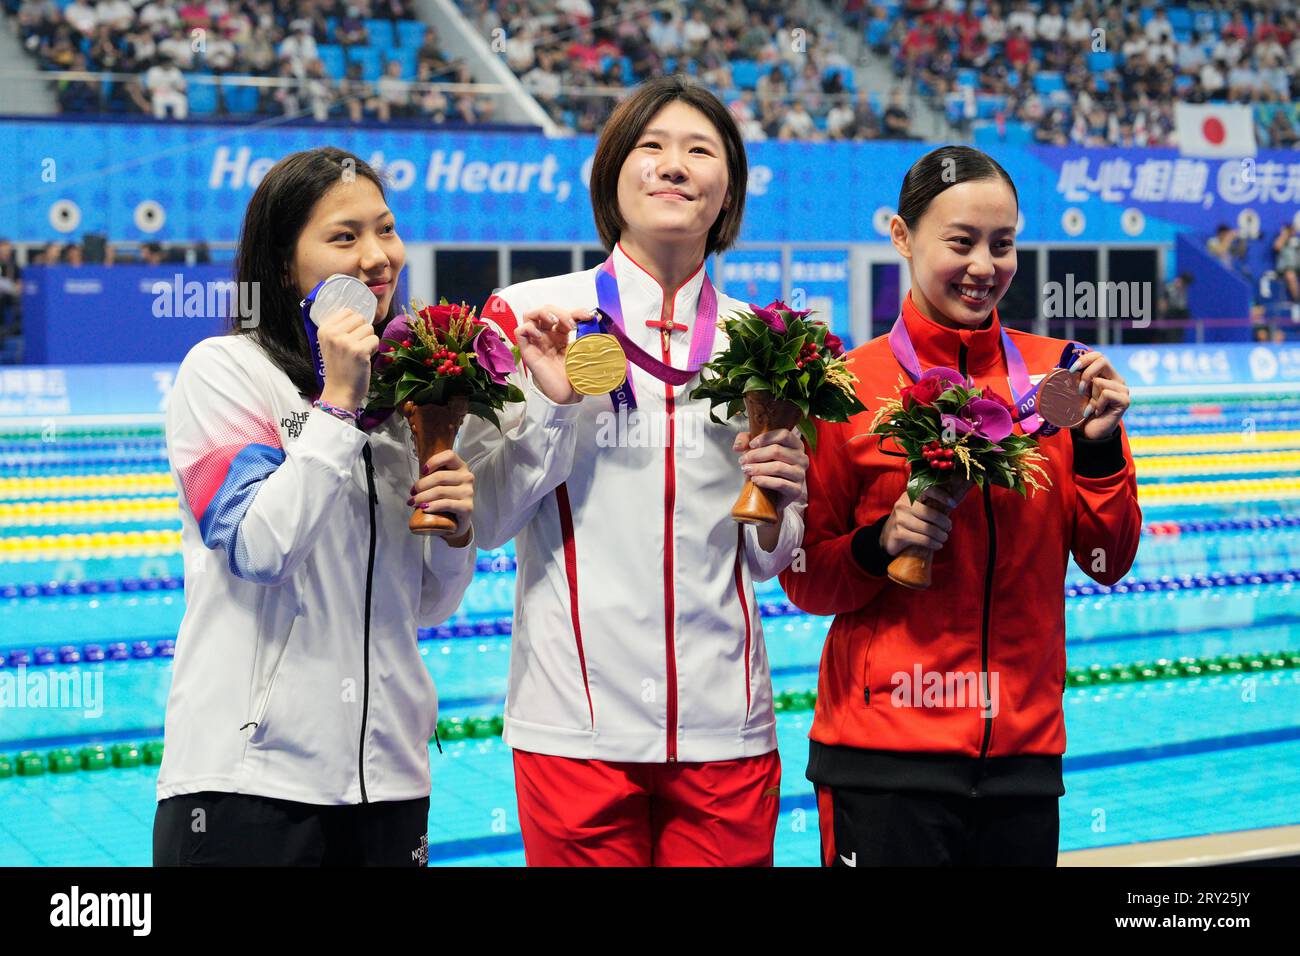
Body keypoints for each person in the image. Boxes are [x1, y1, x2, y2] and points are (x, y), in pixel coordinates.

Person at [458, 77, 809, 867]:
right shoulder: (529, 315)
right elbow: (489, 520)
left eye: (699, 151)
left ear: (728, 194)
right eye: (650, 148)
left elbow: (767, 560)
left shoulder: (765, 344)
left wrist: (785, 496)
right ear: (612, 178)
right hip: (573, 729)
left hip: (727, 727)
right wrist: (552, 404)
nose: (674, 166)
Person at [780, 145, 1142, 866]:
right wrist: (878, 543)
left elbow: (1107, 562)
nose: (985, 265)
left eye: (1002, 244)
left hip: (1022, 755)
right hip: (883, 758)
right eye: (961, 242)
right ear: (902, 237)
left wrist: (1100, 448)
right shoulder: (845, 388)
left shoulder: (1061, 379)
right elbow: (805, 578)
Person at [153, 147, 477, 866]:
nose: (376, 256)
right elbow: (259, 549)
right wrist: (339, 405)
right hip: (247, 783)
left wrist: (456, 534)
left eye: (385, 230)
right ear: (282, 258)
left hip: (389, 778)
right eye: (344, 236)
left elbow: (426, 602)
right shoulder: (225, 372)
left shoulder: (408, 397)